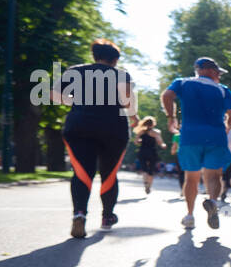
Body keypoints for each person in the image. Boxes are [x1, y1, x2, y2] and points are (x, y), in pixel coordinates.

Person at [57, 38, 135, 237]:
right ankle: (107, 216)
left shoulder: (75, 70)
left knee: (82, 172)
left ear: (94, 55)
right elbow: (127, 102)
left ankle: (80, 214)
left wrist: (79, 100)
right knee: (109, 174)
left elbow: (57, 96)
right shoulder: (120, 74)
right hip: (113, 129)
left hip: (79, 125)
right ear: (115, 59)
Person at [161, 57, 231, 229]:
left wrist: (171, 117)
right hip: (215, 137)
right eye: (218, 72)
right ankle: (212, 202)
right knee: (213, 176)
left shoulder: (182, 83)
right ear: (209, 71)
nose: (219, 76)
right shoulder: (222, 90)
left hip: (190, 137)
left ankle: (189, 216)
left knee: (191, 178)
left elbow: (167, 96)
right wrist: (227, 129)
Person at [134, 117, 165, 194]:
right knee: (151, 170)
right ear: (153, 124)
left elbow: (136, 142)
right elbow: (160, 142)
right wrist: (163, 145)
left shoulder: (141, 132)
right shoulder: (156, 132)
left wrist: (141, 141)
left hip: (143, 152)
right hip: (152, 152)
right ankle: (149, 186)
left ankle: (145, 184)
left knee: (144, 169)